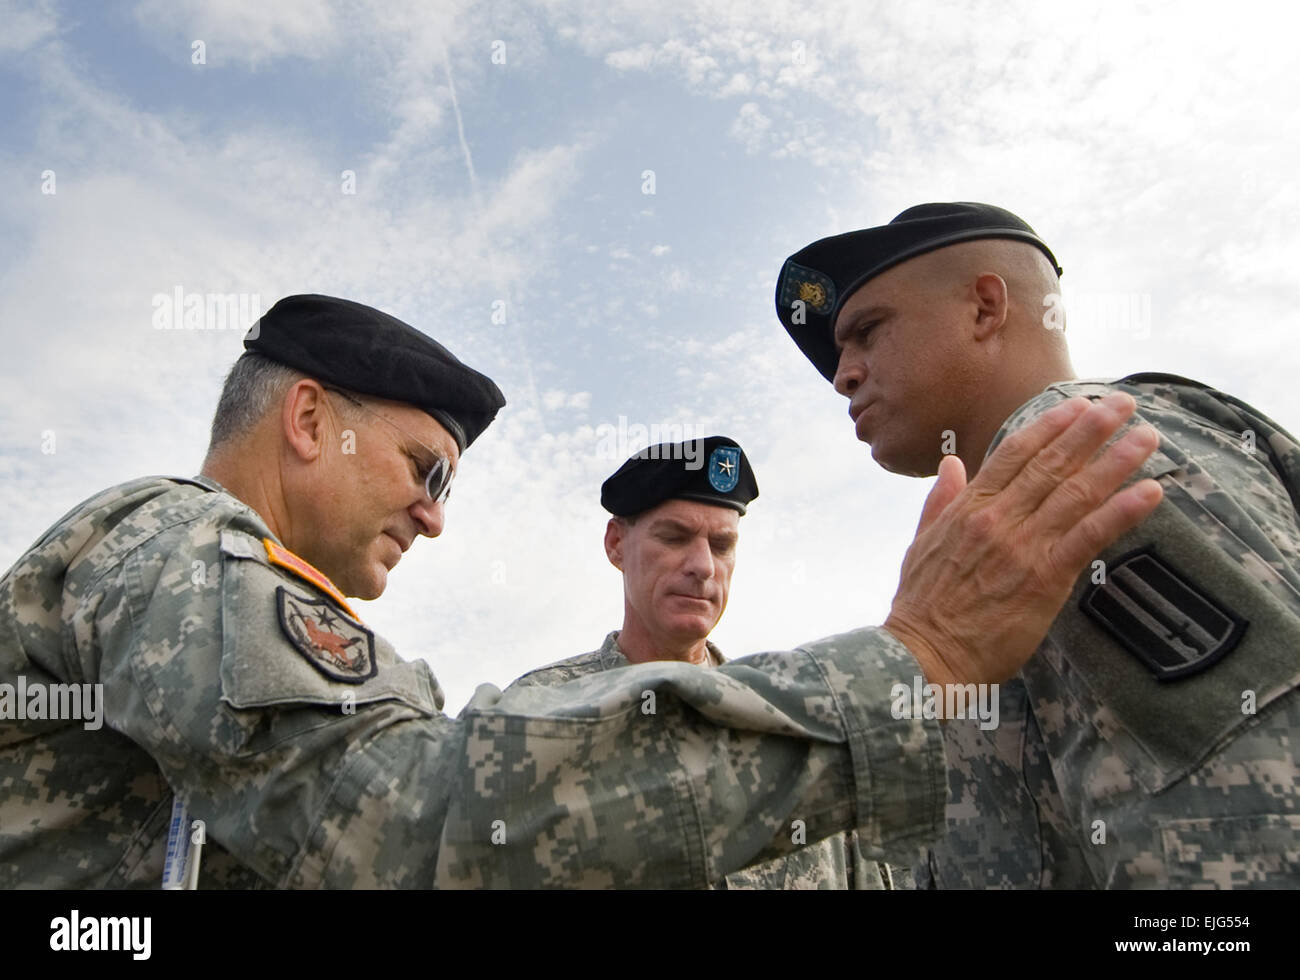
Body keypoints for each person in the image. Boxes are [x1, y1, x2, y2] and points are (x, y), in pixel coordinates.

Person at [0, 292, 1162, 888]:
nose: (434, 513)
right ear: (309, 419)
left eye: (724, 540)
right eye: (424, 467)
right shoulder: (171, 547)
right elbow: (407, 818)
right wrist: (912, 659)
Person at [775, 201, 1300, 888]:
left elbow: (1251, 831)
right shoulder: (1007, 516)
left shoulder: (1076, 454)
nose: (844, 374)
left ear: (985, 308)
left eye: (867, 332)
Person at [506, 436, 910, 889]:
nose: (703, 566)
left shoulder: (798, 729)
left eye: (721, 545)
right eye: (674, 537)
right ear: (617, 543)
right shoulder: (534, 714)